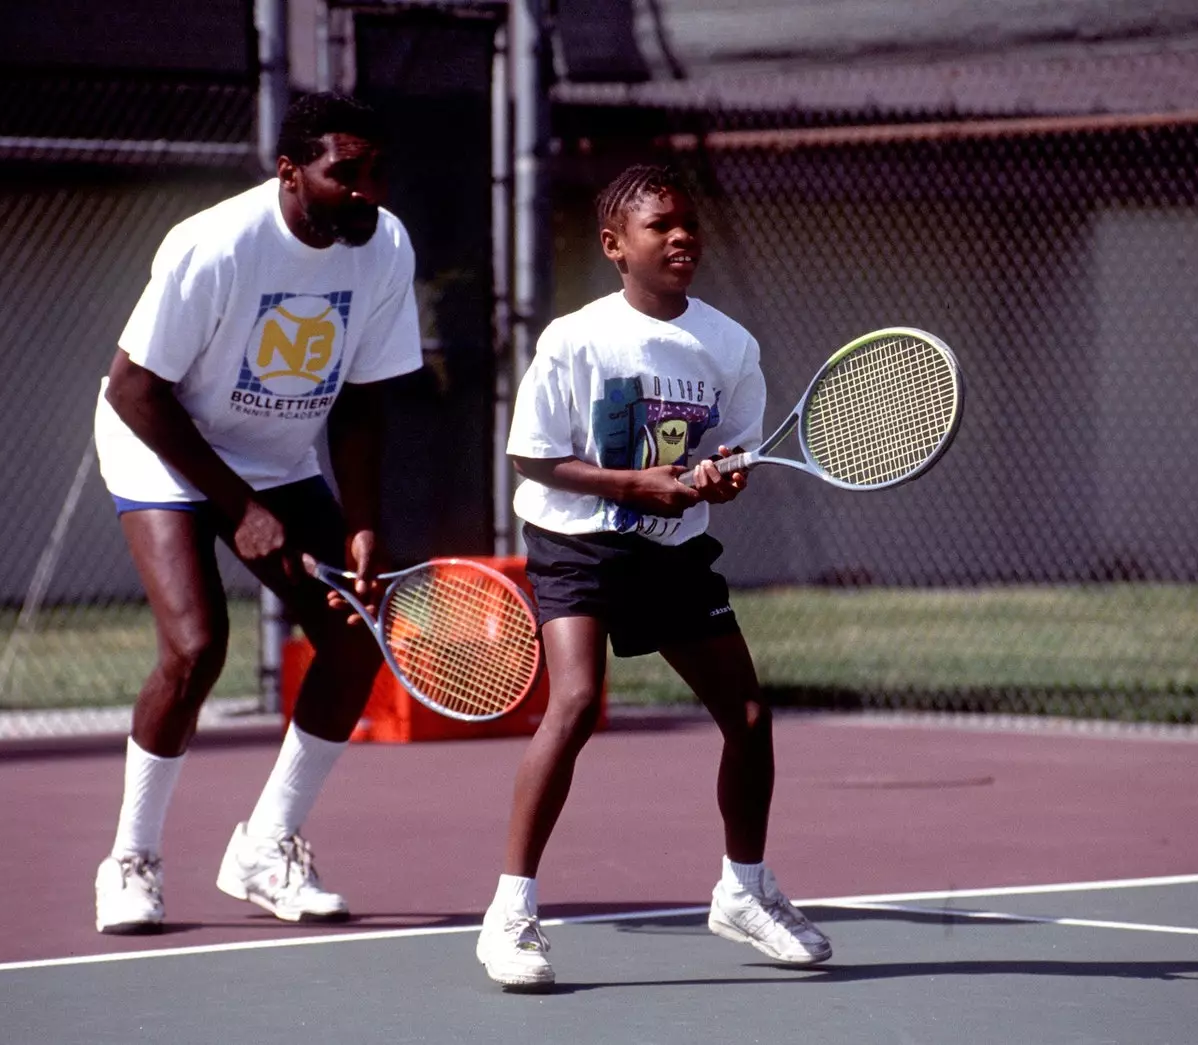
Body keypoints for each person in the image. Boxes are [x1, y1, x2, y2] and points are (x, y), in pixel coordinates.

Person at [475, 164, 832, 988]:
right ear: (614, 246)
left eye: (689, 224)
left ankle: (743, 892)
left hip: (673, 550)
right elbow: (532, 454)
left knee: (747, 715)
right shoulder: (577, 337)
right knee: (572, 703)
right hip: (579, 542)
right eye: (659, 225)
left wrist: (722, 477)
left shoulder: (729, 345)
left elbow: (729, 456)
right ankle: (511, 914)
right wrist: (635, 484)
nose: (681, 237)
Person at [90, 92, 423, 934]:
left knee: (355, 634)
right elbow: (136, 389)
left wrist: (361, 520)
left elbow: (360, 403)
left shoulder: (384, 249)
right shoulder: (214, 245)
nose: (366, 190)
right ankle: (131, 857)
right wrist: (238, 507)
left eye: (375, 172)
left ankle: (266, 845)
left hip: (273, 451)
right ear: (290, 173)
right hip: (160, 438)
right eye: (344, 173)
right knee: (198, 646)